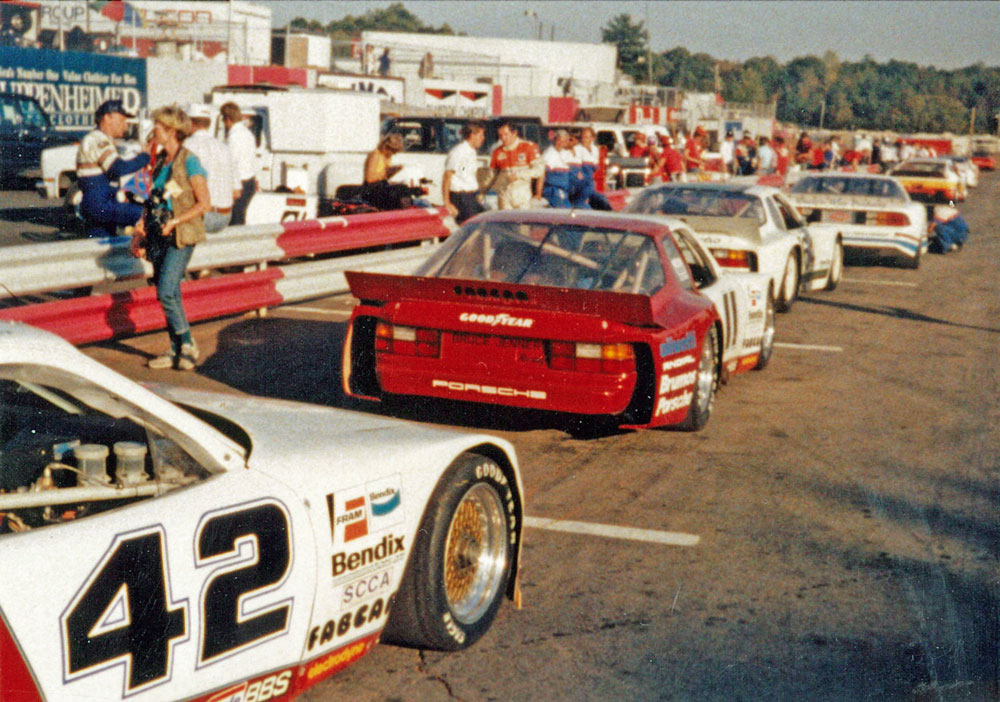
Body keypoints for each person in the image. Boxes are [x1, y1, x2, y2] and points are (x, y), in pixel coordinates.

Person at [130, 105, 210, 371]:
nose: (154, 131)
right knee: (168, 292)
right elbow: (151, 202)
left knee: (166, 289)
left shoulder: (189, 160)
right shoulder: (161, 161)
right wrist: (139, 232)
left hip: (181, 235)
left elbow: (204, 203)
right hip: (158, 236)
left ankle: (187, 344)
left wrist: (176, 221)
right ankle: (176, 348)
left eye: (159, 127)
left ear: (172, 131)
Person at [76, 99, 150, 238]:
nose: (126, 124)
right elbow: (117, 168)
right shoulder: (97, 139)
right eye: (122, 119)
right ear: (107, 117)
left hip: (101, 204)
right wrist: (144, 157)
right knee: (145, 215)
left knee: (101, 246)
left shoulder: (101, 139)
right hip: (100, 206)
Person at [184, 103, 235, 233]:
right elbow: (237, 191)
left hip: (203, 217)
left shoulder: (187, 146)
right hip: (225, 217)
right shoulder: (225, 148)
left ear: (190, 122)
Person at [484, 121, 542, 210]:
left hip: (522, 194)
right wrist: (483, 191)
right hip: (504, 194)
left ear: (514, 133)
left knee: (522, 222)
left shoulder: (528, 147)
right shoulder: (497, 151)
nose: (503, 138)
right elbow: (491, 175)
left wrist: (519, 175)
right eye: (500, 135)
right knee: (506, 222)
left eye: (506, 134)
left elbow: (539, 170)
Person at [442, 121, 485, 223]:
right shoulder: (458, 152)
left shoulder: (472, 151)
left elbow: (468, 176)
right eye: (481, 135)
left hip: (471, 196)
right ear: (472, 135)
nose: (483, 138)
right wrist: (447, 202)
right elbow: (447, 176)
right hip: (461, 197)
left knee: (483, 224)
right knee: (470, 229)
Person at [222, 102, 256, 225]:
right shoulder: (248, 134)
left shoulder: (234, 137)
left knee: (235, 221)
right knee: (240, 217)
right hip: (249, 181)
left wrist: (233, 186)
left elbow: (231, 164)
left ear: (227, 119)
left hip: (238, 183)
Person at [362, 133, 404, 210]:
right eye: (392, 151)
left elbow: (384, 176)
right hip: (370, 189)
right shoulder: (375, 155)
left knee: (402, 188)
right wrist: (385, 172)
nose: (392, 154)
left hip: (380, 186)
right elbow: (369, 178)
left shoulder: (387, 157)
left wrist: (393, 171)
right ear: (386, 147)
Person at [538, 129, 572, 208]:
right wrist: (538, 193)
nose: (561, 143)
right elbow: (541, 174)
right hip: (553, 191)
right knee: (563, 212)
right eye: (559, 140)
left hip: (564, 191)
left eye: (564, 141)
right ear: (554, 140)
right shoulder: (549, 154)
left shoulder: (565, 153)